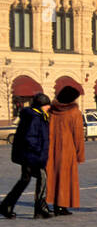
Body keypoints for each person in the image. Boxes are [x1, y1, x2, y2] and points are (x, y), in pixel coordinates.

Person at [1, 93, 53, 219]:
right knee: (42, 176)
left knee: (25, 179)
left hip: (27, 155)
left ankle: (6, 205)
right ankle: (40, 208)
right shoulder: (35, 117)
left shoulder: (36, 115)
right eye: (46, 105)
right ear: (40, 105)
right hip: (32, 155)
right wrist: (38, 151)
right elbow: (30, 137)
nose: (48, 107)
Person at [46, 85, 87, 217]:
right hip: (67, 149)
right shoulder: (74, 113)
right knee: (65, 178)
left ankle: (54, 203)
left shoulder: (52, 111)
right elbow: (78, 135)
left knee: (53, 177)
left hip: (51, 149)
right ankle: (62, 205)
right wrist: (80, 155)